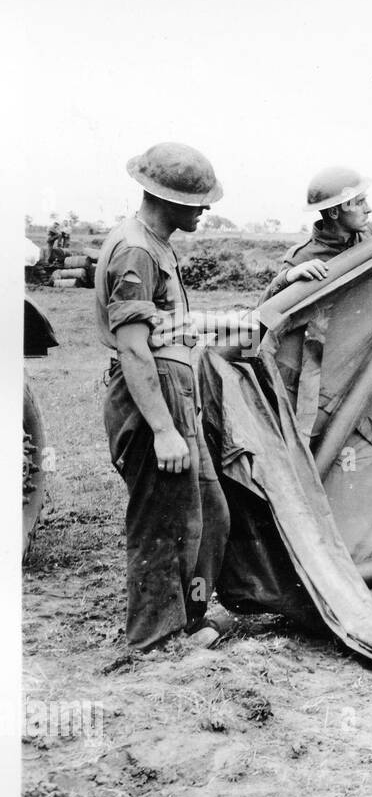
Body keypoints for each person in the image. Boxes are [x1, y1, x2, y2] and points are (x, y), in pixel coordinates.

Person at [96, 141, 231, 651]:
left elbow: (163, 329)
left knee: (208, 515)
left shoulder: (155, 243)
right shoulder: (135, 249)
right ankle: (154, 642)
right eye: (196, 200)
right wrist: (163, 430)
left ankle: (187, 620)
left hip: (171, 393)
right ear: (166, 198)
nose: (204, 209)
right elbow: (133, 349)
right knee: (159, 521)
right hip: (150, 401)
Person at [259, 166, 372, 302]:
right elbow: (264, 311)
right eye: (360, 202)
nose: (369, 209)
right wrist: (286, 278)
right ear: (334, 212)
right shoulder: (302, 258)